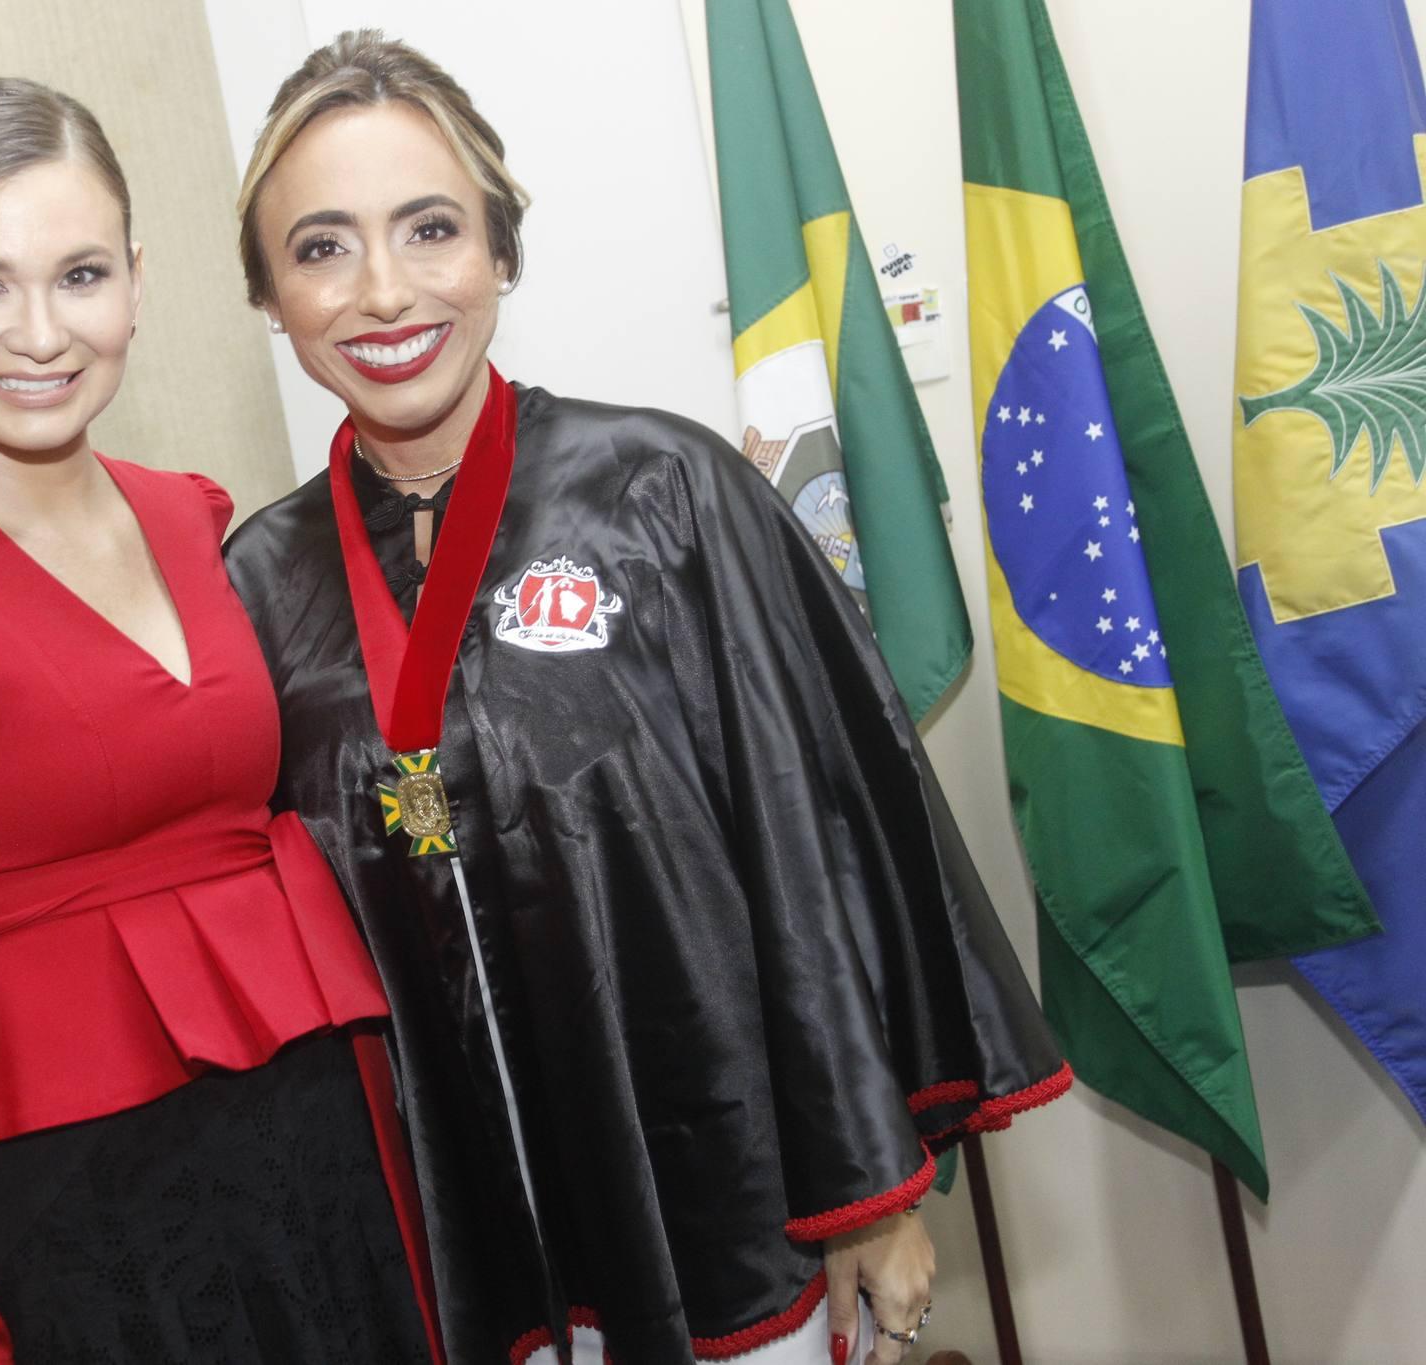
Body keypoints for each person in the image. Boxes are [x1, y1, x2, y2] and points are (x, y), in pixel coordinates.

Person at [221, 32, 1072, 1365]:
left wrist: (874, 1188)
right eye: (321, 247)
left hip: (736, 1227)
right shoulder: (256, 589)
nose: (384, 291)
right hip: (465, 1274)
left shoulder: (664, 493)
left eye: (431, 228)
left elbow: (812, 847)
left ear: (501, 249)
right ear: (270, 294)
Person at [0, 77, 437, 1365]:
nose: (43, 333)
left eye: (80, 275)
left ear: (136, 283)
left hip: (327, 1143)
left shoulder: (195, 516)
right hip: (92, 1213)